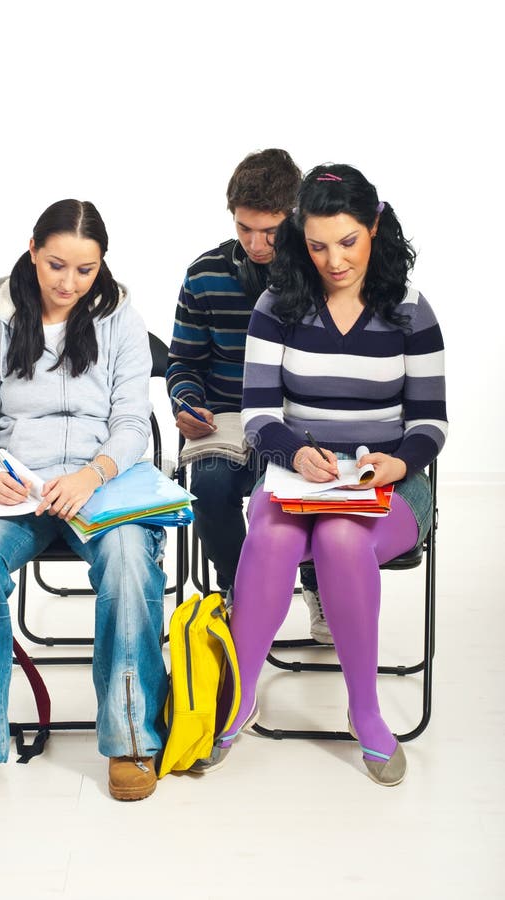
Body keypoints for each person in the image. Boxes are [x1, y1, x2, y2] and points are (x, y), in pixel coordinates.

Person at [197, 163, 447, 785]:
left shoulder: (411, 311)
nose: (333, 260)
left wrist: (398, 460)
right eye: (316, 245)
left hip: (387, 482)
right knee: (275, 535)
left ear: (375, 227)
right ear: (298, 241)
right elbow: (257, 413)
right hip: (297, 477)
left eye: (348, 242)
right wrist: (292, 450)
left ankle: (365, 711)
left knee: (339, 536)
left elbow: (431, 422)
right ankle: (238, 700)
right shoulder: (276, 305)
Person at [0, 199, 167, 804]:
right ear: (33, 249)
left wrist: (92, 475)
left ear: (102, 268)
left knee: (128, 562)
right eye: (56, 264)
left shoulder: (120, 318)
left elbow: (130, 422)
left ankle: (132, 736)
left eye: (85, 271)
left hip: (102, 484)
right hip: (19, 489)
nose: (68, 283)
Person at [166, 149, 332, 643]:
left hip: (302, 422)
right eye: (244, 229)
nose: (257, 244)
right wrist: (186, 402)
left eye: (271, 232)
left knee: (317, 489)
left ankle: (317, 584)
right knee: (210, 488)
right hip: (227, 422)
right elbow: (183, 361)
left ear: (297, 218)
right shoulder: (205, 274)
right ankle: (241, 593)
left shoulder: (324, 273)